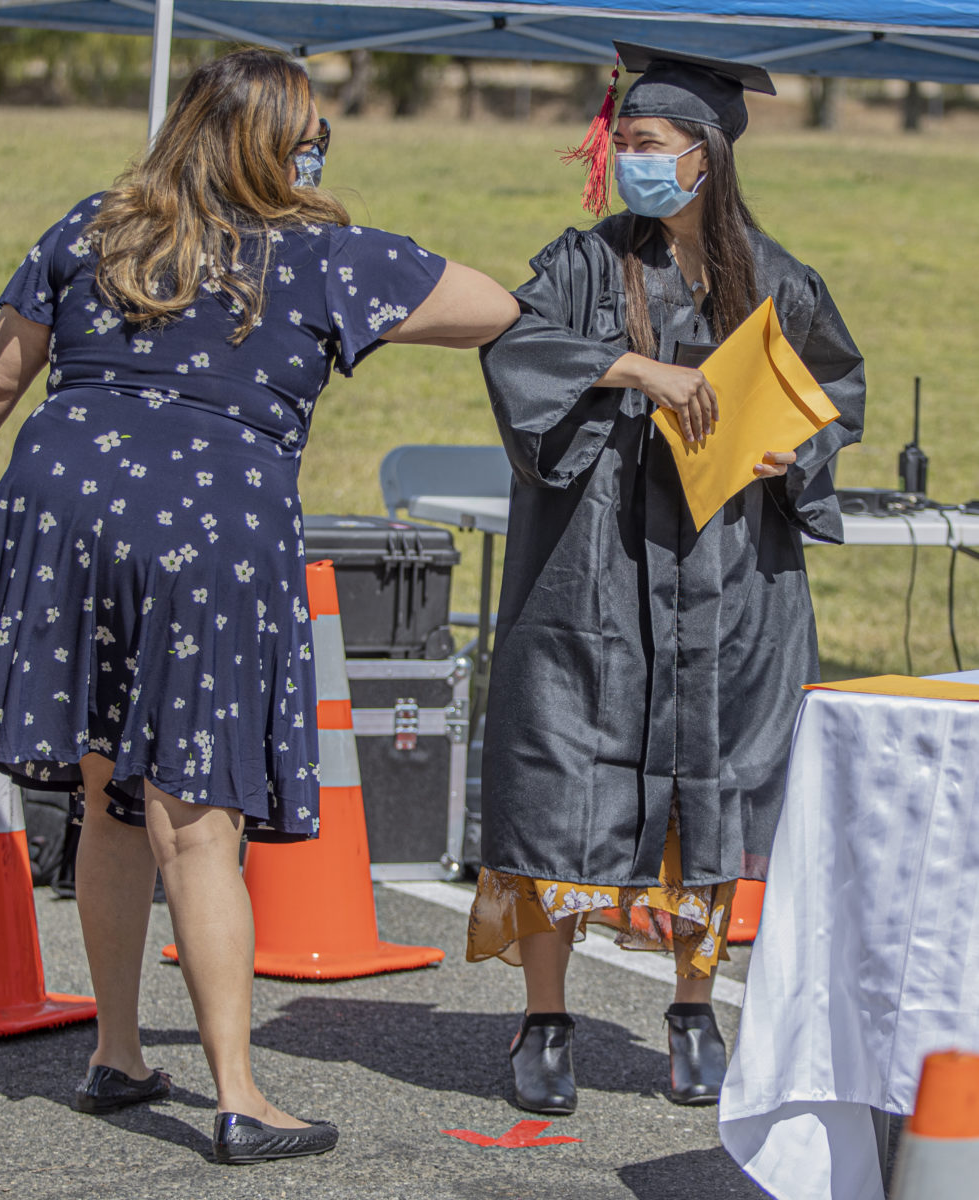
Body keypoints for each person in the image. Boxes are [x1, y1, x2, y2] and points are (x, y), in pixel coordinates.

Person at [0, 48, 518, 1164]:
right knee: (198, 820)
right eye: (312, 130)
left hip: (64, 509)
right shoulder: (321, 253)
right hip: (207, 529)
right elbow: (493, 309)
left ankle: (117, 1053)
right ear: (279, 142)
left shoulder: (93, 228)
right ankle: (238, 1096)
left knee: (105, 789)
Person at [467, 42, 866, 1113]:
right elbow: (512, 349)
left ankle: (693, 1009)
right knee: (559, 789)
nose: (625, 160)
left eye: (645, 145)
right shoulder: (583, 265)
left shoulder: (776, 281)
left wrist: (798, 451)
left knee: (713, 799)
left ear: (706, 155)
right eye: (624, 142)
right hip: (591, 585)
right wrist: (631, 367)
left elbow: (832, 394)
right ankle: (543, 1020)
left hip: (731, 586)